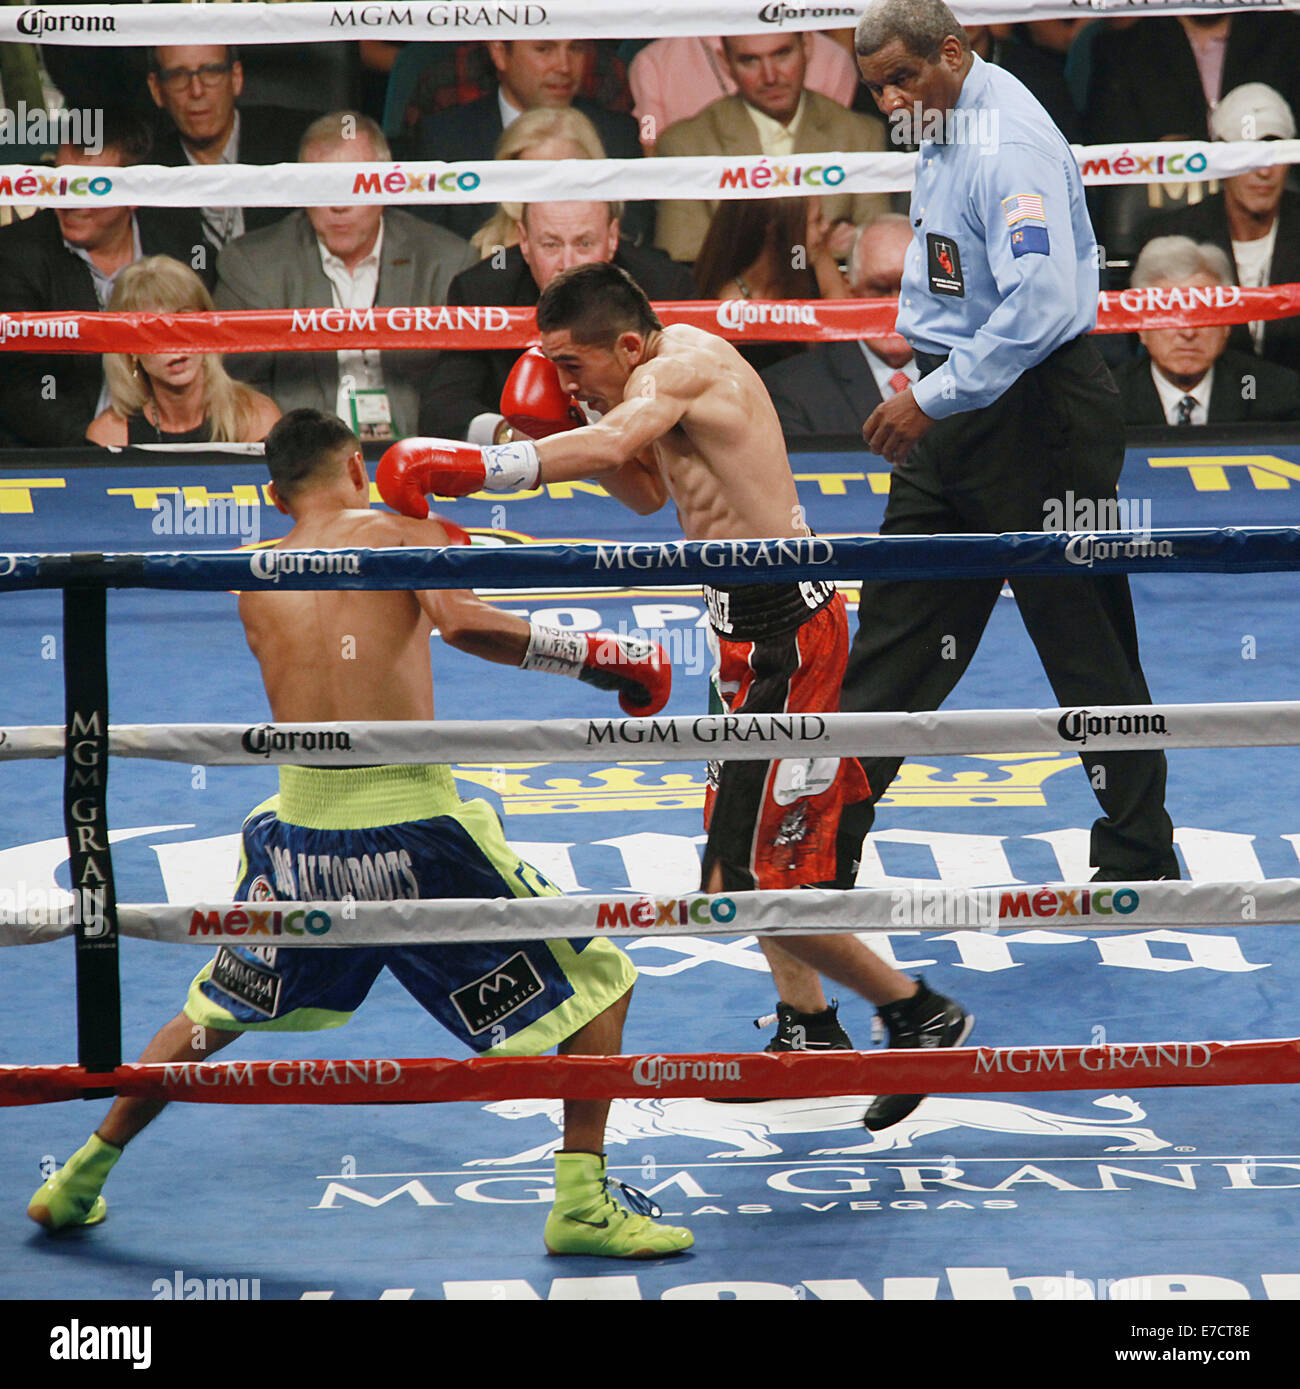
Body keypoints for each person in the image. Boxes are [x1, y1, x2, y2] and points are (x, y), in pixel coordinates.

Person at [28, 408, 691, 1261]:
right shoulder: (400, 529)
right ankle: (581, 1204)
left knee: (216, 1007)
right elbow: (466, 624)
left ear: (274, 493)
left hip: (298, 833)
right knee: (601, 979)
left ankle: (80, 1173)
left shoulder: (251, 571)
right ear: (357, 466)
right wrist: (601, 655)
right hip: (414, 825)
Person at [378, 261, 973, 1130]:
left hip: (788, 639)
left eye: (572, 366)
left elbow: (617, 451)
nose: (563, 376)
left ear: (625, 343)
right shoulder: (642, 386)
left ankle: (921, 1014)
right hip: (743, 633)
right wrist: (567, 415)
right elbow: (647, 487)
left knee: (740, 875)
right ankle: (809, 1027)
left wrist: (478, 464)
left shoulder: (679, 367)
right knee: (736, 852)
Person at [837, 4, 1180, 963]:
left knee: (1086, 644)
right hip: (962, 399)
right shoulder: (943, 121)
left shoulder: (1008, 140)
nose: (894, 102)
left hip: (1036, 414)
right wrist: (937, 390)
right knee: (897, 633)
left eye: (906, 80)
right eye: (877, 90)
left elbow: (1041, 302)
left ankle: (1139, 857)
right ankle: (823, 854)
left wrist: (934, 396)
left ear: (955, 52)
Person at [214, 112, 476, 442]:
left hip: (418, 457)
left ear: (386, 185)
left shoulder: (447, 261)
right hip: (303, 463)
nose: (338, 206)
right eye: (323, 188)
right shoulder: (253, 265)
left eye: (354, 186)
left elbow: (462, 389)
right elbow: (236, 391)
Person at [416, 200, 695, 445]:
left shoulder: (666, 286)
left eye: (584, 243)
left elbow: (693, 412)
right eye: (551, 245)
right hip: (537, 481)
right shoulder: (484, 289)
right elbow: (442, 410)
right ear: (524, 242)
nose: (568, 263)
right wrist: (511, 434)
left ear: (612, 238)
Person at [0, 111, 202, 448]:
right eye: (62, 183)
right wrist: (99, 447)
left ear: (135, 193)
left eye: (93, 187)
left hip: (175, 444)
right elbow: (18, 387)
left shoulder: (181, 247)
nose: (71, 201)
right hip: (64, 452)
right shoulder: (14, 254)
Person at [652, 31, 890, 265]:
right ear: (725, 63)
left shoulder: (860, 134)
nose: (770, 77)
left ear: (807, 46)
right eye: (750, 60)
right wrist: (815, 248)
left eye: (782, 54)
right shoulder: (685, 144)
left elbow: (878, 251)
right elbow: (681, 259)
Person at [409, 39, 643, 245]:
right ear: (499, 53)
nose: (564, 66)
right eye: (544, 49)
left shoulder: (619, 135)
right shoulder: (443, 137)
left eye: (576, 48)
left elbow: (632, 243)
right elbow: (429, 250)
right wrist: (498, 273)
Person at [1137, 84, 1300, 375]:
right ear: (1219, 157)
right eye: (1245, 152)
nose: (1263, 170)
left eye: (1273, 151)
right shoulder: (1172, 234)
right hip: (1216, 408)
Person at [86, 256, 281, 446]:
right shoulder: (109, 436)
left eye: (183, 323)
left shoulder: (257, 420)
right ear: (130, 350)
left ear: (207, 328)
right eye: (154, 330)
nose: (173, 343)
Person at [145, 44, 311, 263]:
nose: (196, 90)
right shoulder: (145, 174)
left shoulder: (299, 143)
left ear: (236, 78)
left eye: (211, 72)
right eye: (178, 76)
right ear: (157, 89)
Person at [1114, 236, 1300, 426]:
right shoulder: (1109, 400)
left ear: (1227, 324)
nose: (1188, 333)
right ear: (1141, 327)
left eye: (1202, 314)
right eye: (1171, 313)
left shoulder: (1276, 392)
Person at [761, 213, 917, 437]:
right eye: (880, 289)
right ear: (850, 292)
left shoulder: (970, 378)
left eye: (912, 290)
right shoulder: (791, 390)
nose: (896, 305)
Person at [694, 197, 852, 373]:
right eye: (816, 220)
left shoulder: (800, 259)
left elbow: (842, 326)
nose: (826, 227)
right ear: (776, 230)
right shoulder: (725, 306)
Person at [468, 106, 613, 259]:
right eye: (535, 178)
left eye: (561, 177)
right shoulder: (488, 255)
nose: (549, 191)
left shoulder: (622, 259)